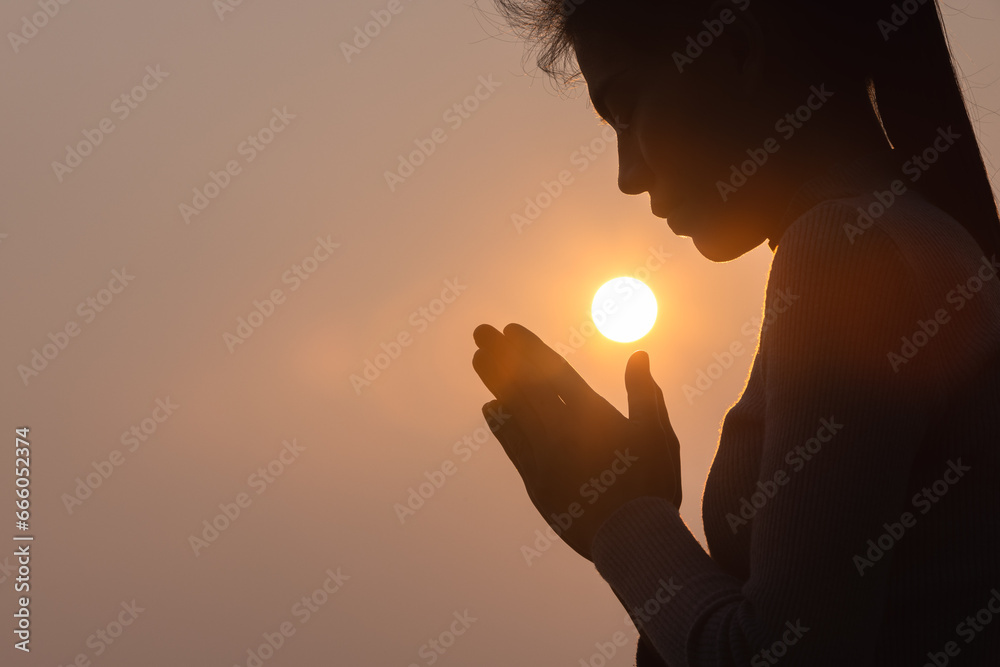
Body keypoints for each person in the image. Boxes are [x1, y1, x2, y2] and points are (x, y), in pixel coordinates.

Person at [471, 1, 1000, 664]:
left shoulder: (847, 251)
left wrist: (618, 513)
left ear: (737, 53)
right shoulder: (919, 238)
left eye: (627, 109)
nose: (627, 175)